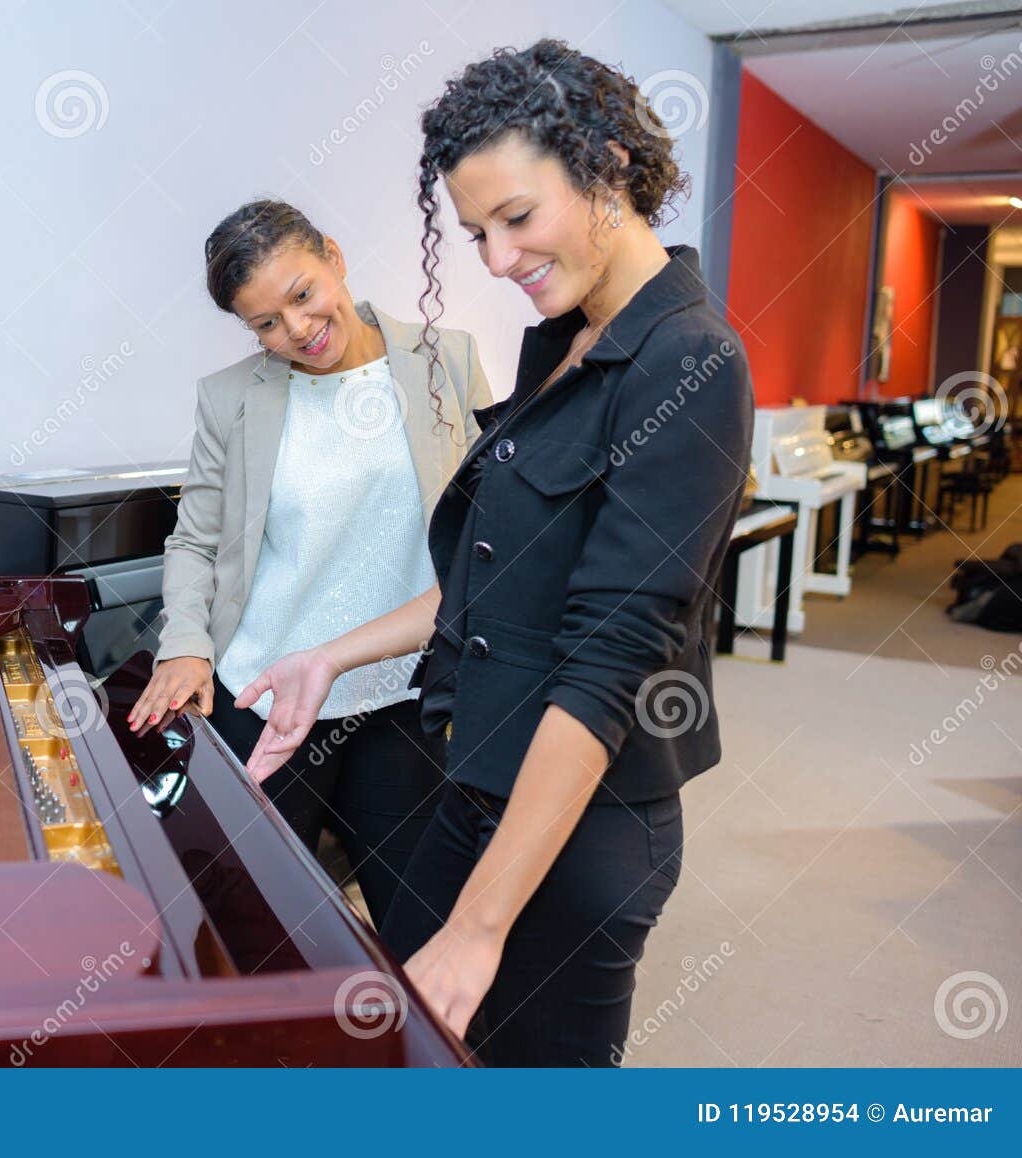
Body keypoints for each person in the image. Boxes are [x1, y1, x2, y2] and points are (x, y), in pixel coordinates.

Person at [235, 42, 755, 1066]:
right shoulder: (556, 339)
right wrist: (327, 655)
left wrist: (479, 928)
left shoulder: (691, 360)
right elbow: (494, 580)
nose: (496, 260)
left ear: (608, 169)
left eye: (517, 219)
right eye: (475, 232)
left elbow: (608, 661)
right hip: (473, 784)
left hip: (573, 832)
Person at [129, 198, 491, 929]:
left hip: (405, 694)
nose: (296, 330)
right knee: (254, 924)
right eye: (265, 322)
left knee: (421, 926)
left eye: (302, 295)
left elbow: (489, 531)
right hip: (266, 694)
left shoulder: (444, 360)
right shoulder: (229, 398)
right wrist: (186, 646)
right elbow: (194, 539)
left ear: (333, 256)